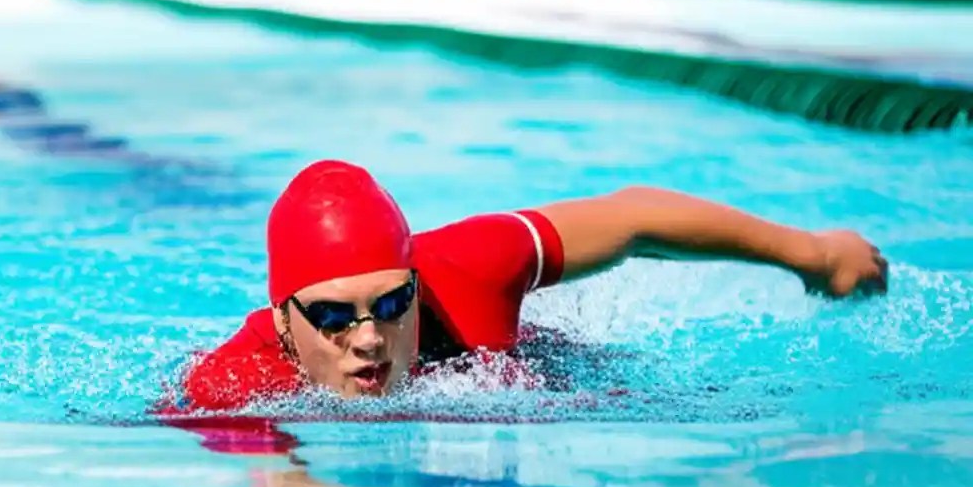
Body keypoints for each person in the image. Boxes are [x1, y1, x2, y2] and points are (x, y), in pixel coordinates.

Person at [165, 158, 888, 414]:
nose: (369, 338)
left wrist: (814, 254)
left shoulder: (472, 266)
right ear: (284, 323)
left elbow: (631, 218)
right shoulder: (235, 380)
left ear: (416, 282)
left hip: (537, 369)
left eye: (392, 305)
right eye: (332, 317)